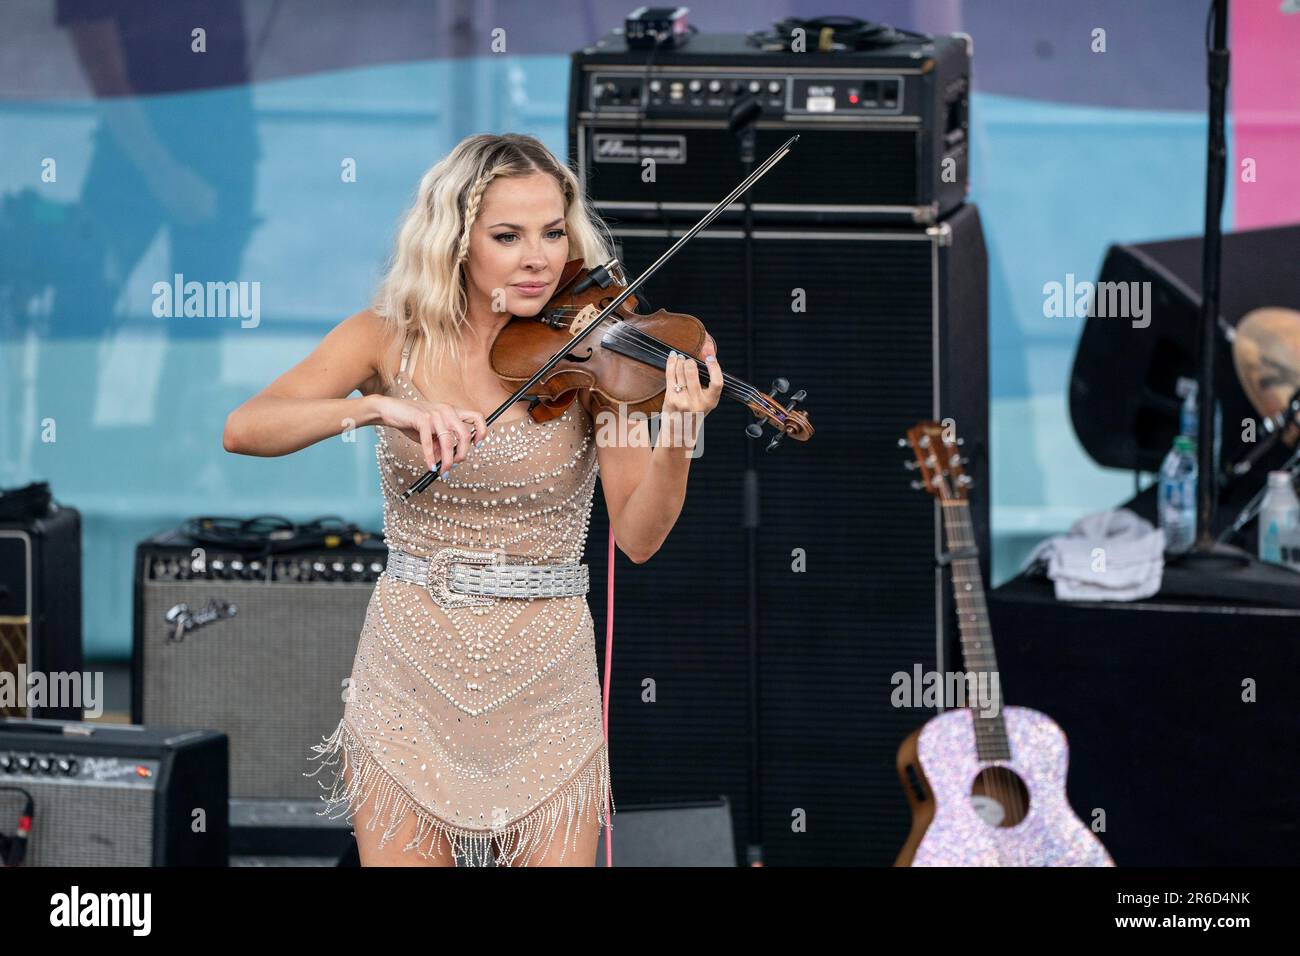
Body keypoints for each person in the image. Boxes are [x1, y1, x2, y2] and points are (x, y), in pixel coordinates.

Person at [222, 133, 723, 866]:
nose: (539, 257)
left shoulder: (599, 358)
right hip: (410, 669)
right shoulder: (386, 341)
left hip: (546, 677)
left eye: (554, 232)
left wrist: (676, 433)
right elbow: (246, 429)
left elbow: (638, 538)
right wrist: (374, 409)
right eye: (508, 236)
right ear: (457, 241)